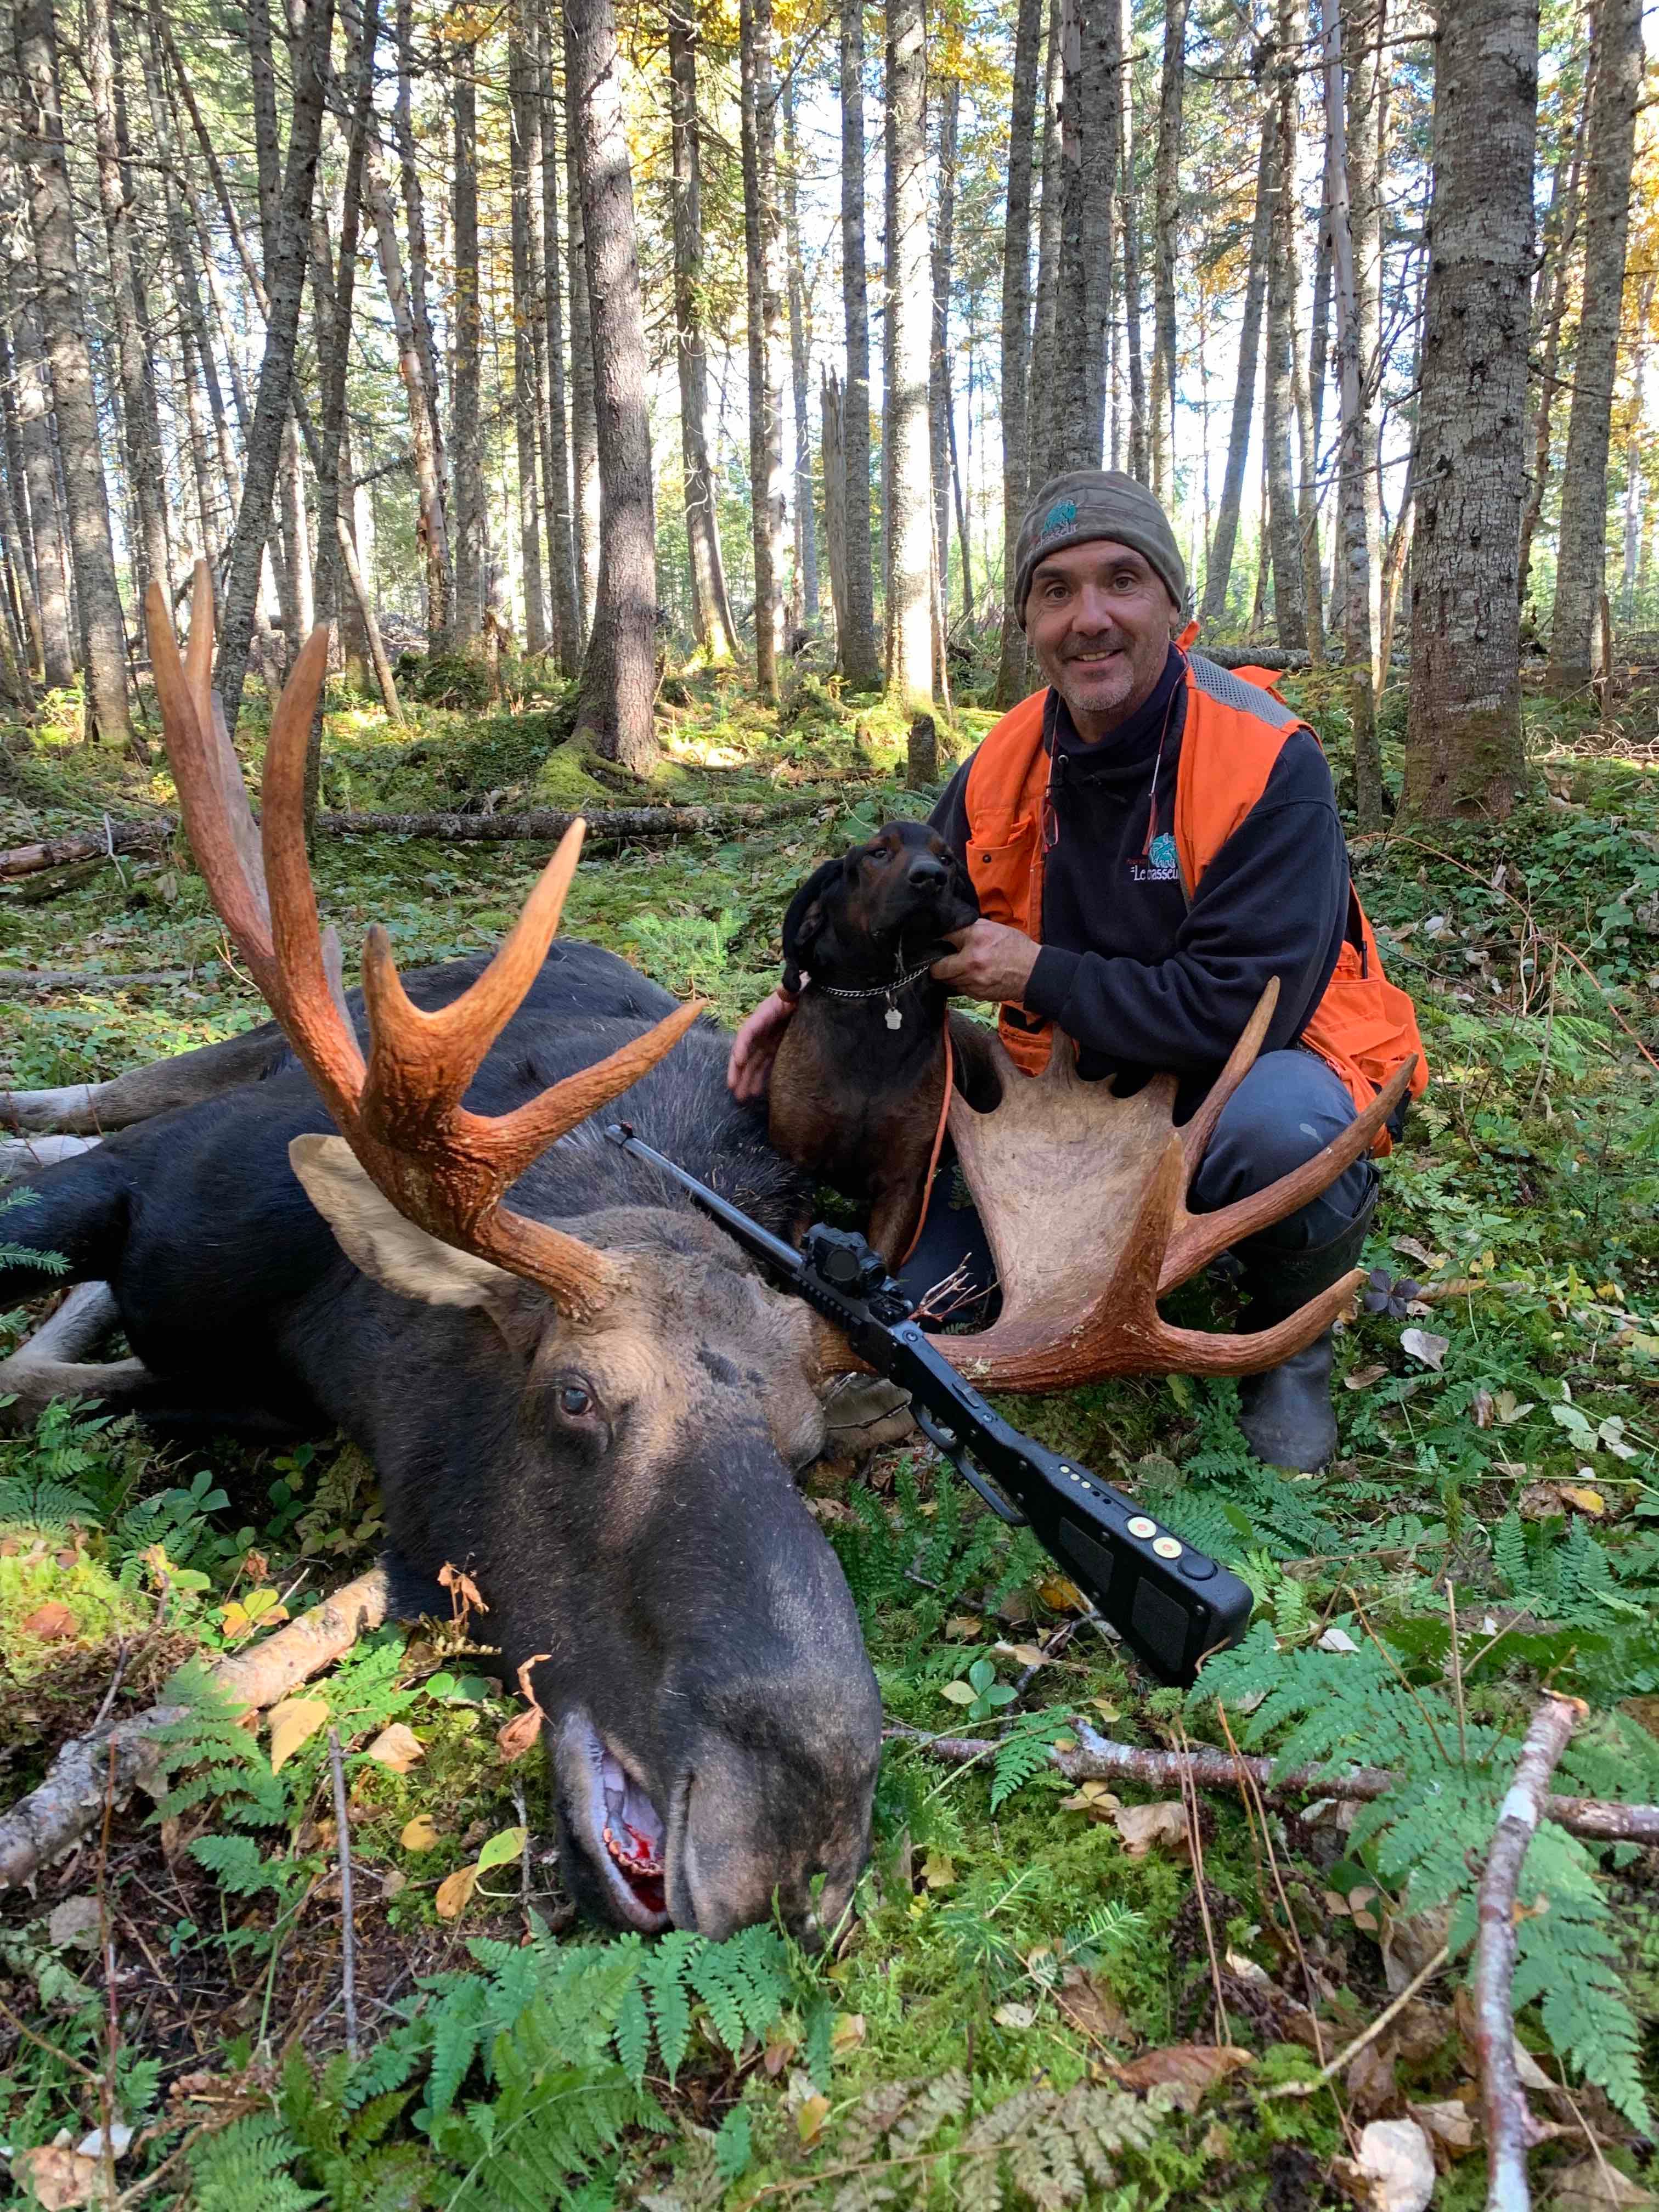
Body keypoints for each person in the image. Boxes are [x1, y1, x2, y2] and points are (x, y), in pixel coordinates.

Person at [730, 469, 1427, 1471]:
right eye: (1055, 591)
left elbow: (1241, 1014)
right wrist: (800, 996)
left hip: (1249, 1067)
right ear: (1027, 623)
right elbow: (907, 914)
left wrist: (1037, 974)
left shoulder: (1268, 762)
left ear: (1172, 605)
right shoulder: (1007, 757)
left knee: (1283, 1133)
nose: (1088, 618)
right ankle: (1063, 1244)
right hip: (1068, 1096)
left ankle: (1290, 1341)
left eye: (1120, 581)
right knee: (917, 1303)